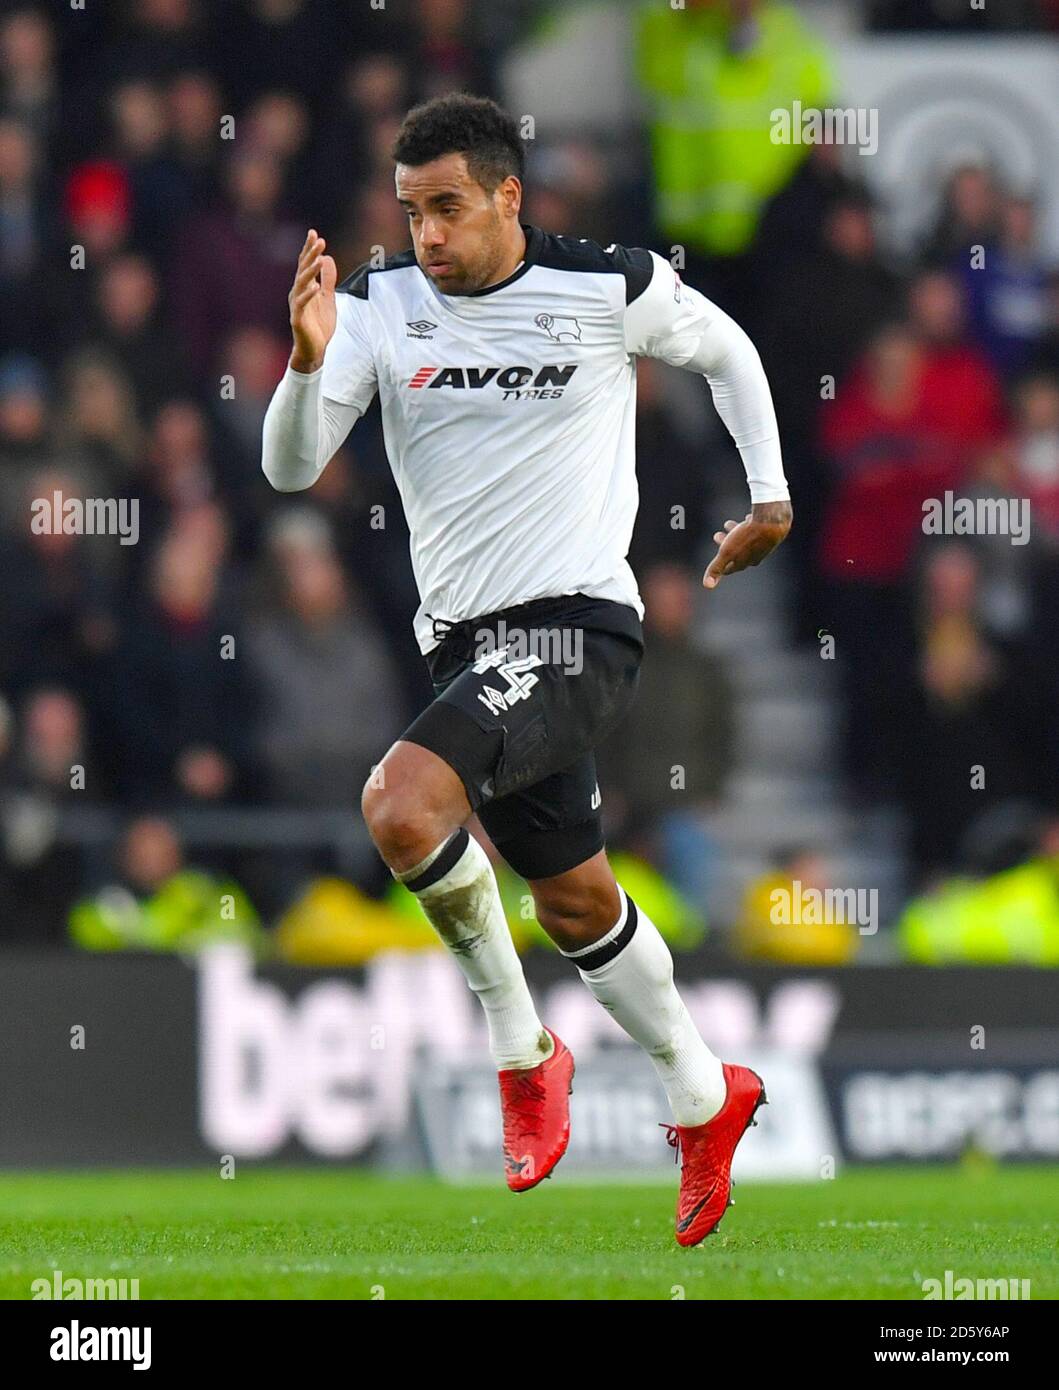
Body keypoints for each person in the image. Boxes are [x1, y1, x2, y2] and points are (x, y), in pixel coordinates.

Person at [261, 94, 791, 1247]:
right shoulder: (377, 308)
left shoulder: (607, 287)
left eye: (449, 208)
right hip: (465, 647)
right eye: (411, 214)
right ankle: (708, 1096)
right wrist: (305, 369)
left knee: (402, 805)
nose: (429, 237)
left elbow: (729, 350)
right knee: (574, 900)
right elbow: (293, 469)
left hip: (577, 630)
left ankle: (520, 1051)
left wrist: (771, 493)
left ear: (510, 194)